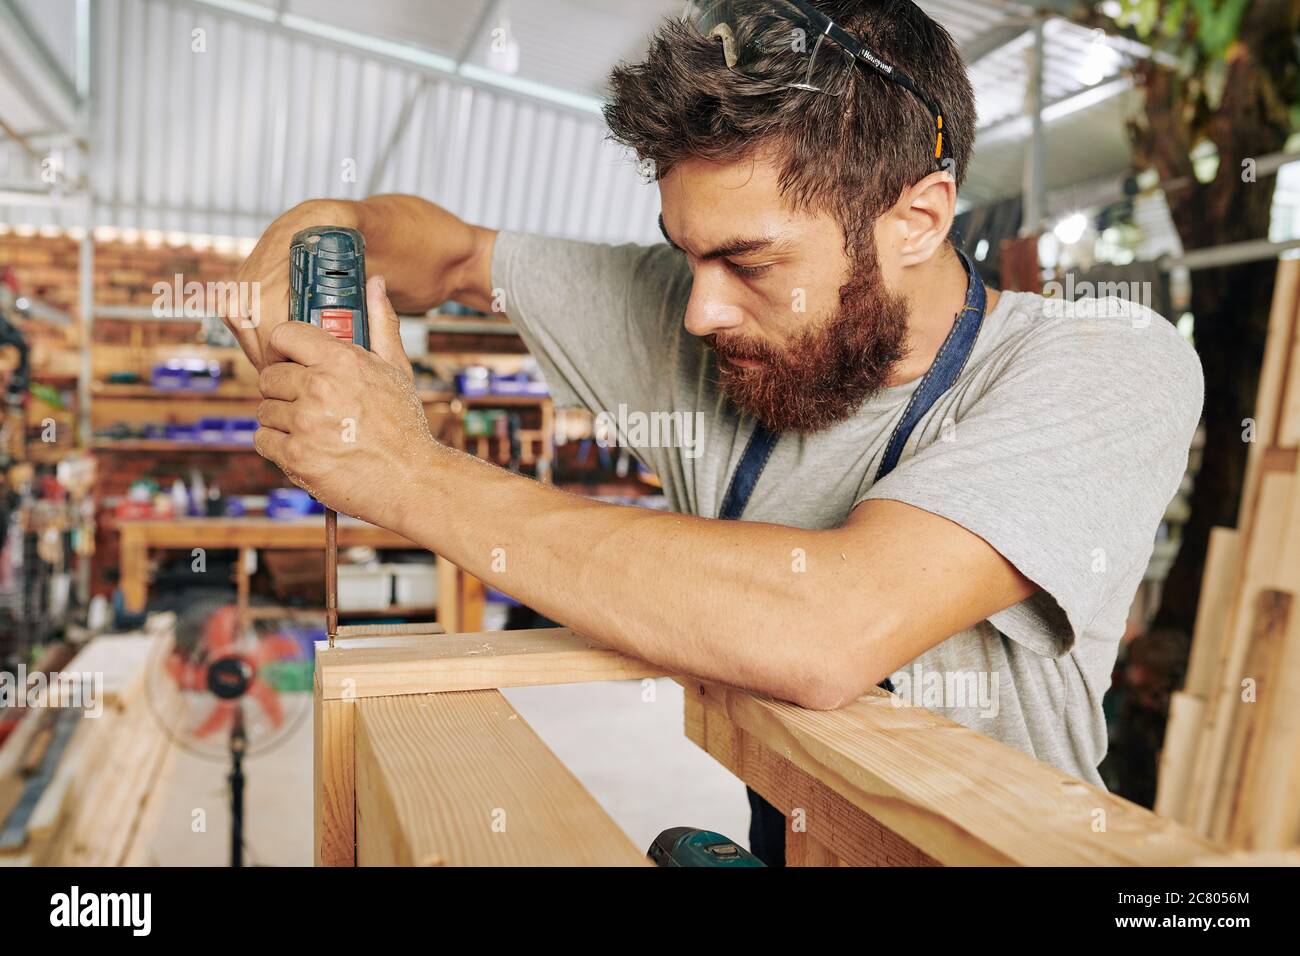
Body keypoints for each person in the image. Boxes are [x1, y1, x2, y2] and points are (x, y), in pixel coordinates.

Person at [226, 0, 1203, 865]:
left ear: (917, 217)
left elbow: (827, 625)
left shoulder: (1106, 365)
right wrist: (323, 225)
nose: (697, 313)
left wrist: (405, 472)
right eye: (684, 253)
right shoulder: (701, 325)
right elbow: (450, 253)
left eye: (747, 259)